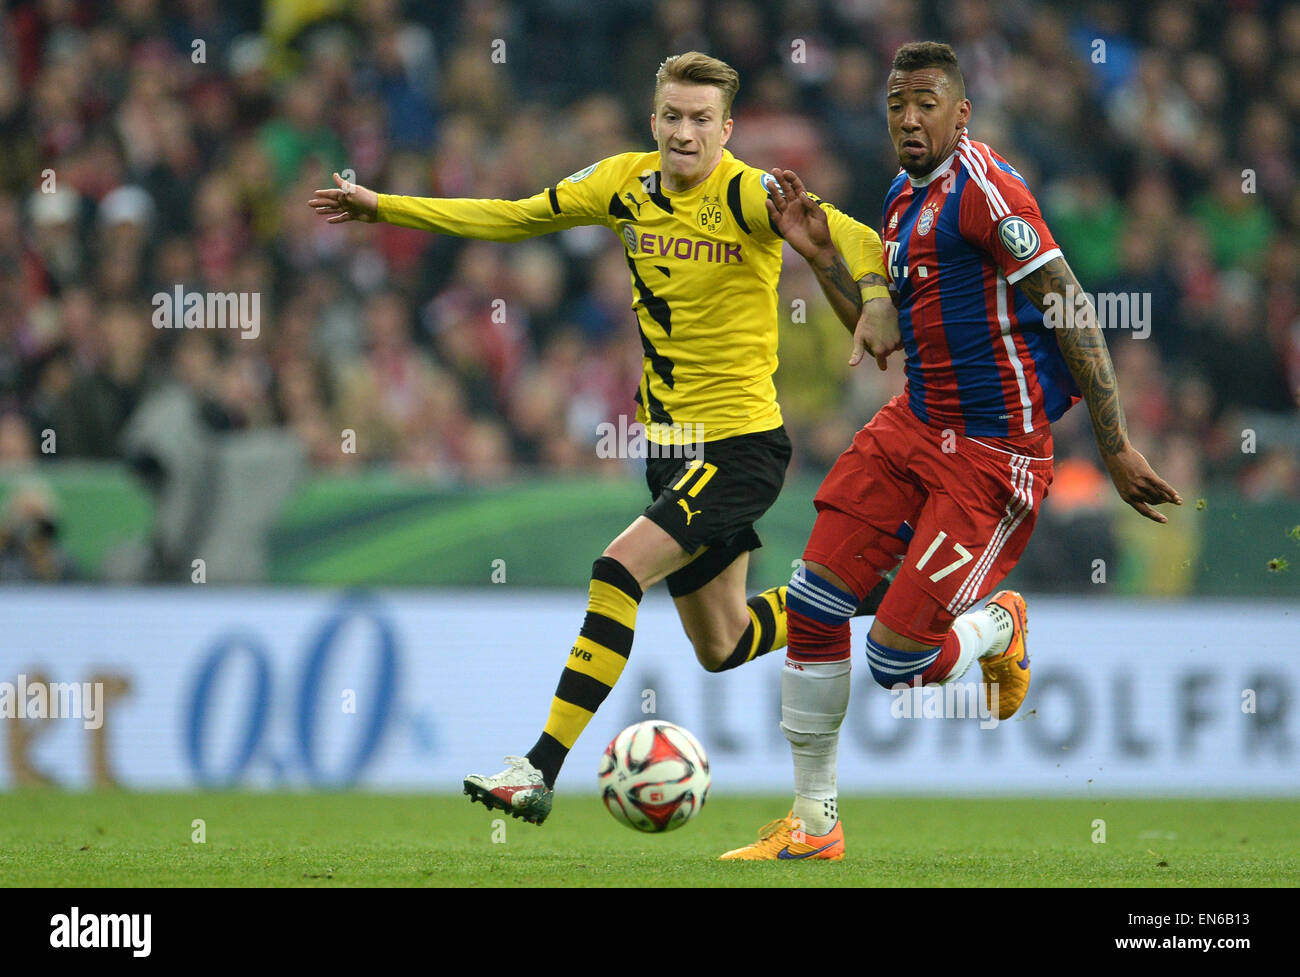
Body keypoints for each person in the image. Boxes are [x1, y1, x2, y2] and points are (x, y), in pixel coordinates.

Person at [308, 51, 898, 825]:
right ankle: (889, 592)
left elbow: (864, 242)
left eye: (702, 121)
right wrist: (385, 206)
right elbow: (512, 214)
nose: (686, 133)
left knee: (616, 569)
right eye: (674, 118)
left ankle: (538, 767)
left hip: (739, 449)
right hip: (669, 452)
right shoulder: (623, 183)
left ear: (728, 129)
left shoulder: (754, 194)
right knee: (722, 643)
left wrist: (881, 295)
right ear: (654, 121)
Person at [721, 41, 1182, 861]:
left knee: (896, 662)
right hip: (911, 426)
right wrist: (821, 254)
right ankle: (814, 823)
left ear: (961, 111)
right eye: (897, 103)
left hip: (992, 456)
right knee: (816, 596)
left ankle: (999, 627)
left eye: (925, 103)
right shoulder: (902, 198)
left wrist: (1114, 447)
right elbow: (880, 335)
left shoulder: (987, 193)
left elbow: (1069, 304)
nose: (907, 117)